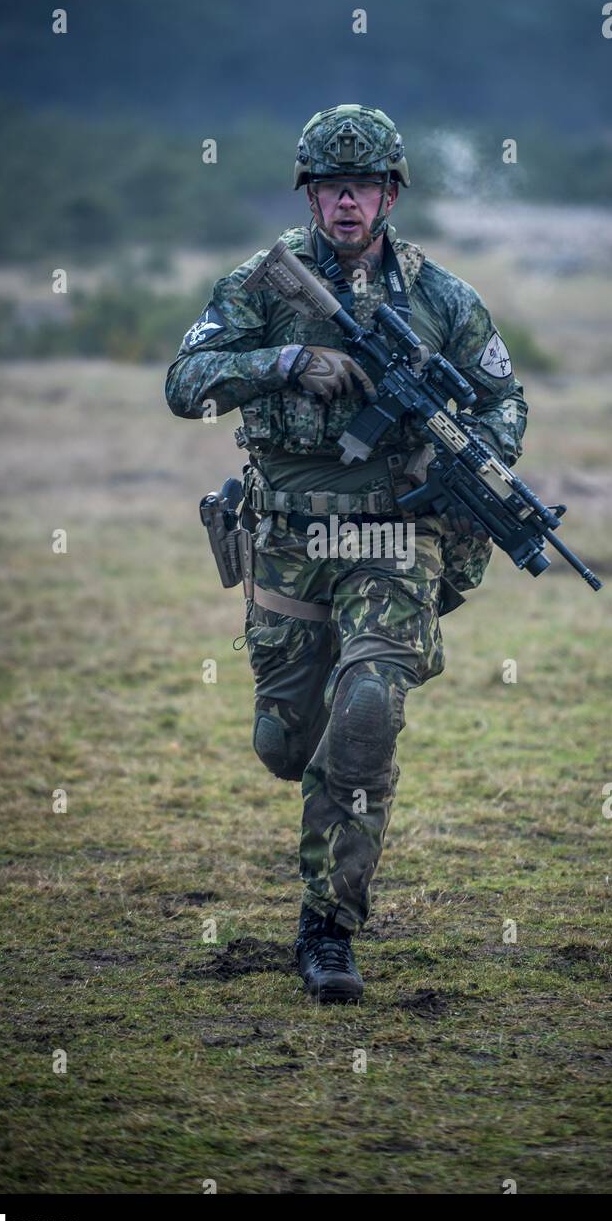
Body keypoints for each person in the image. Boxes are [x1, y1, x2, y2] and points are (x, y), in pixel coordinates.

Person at [166, 104, 528, 1003]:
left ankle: (328, 929)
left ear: (390, 193)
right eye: (331, 186)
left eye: (363, 187)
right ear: (311, 193)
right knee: (289, 746)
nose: (347, 203)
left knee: (366, 709)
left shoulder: (442, 298)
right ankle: (318, 776)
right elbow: (184, 382)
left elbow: (505, 402)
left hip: (394, 539)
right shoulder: (259, 284)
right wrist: (285, 361)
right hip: (288, 540)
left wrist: (471, 455)